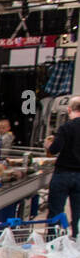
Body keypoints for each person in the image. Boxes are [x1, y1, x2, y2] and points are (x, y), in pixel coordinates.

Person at [45, 95, 80, 234]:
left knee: (56, 212)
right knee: (78, 213)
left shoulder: (66, 127)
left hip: (63, 174)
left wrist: (49, 145)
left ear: (69, 109)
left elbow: (54, 150)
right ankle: (77, 242)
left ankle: (53, 242)